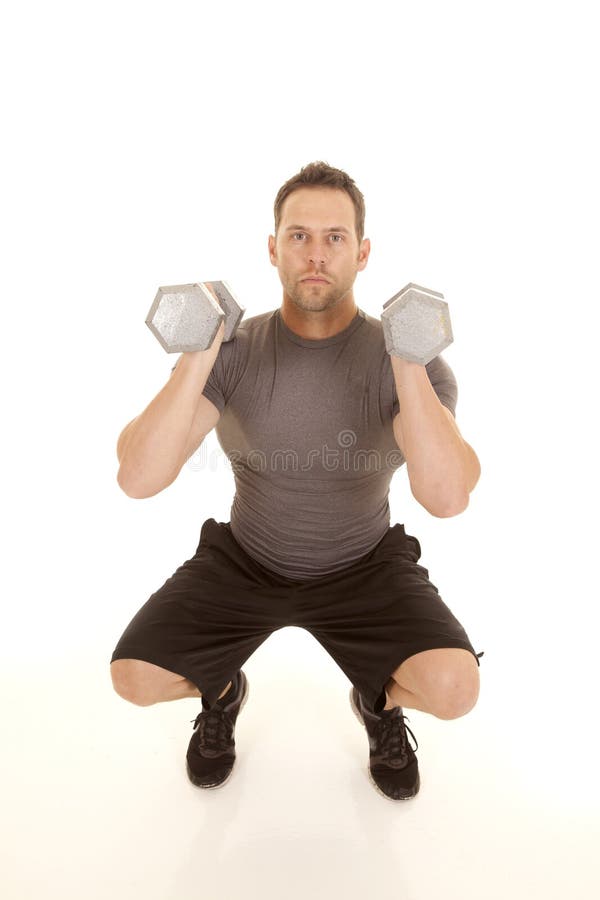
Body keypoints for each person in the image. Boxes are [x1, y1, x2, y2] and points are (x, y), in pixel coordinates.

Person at [111, 161, 483, 801]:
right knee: (135, 677)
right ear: (273, 249)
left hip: (363, 564)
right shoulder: (235, 354)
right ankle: (222, 689)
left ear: (363, 253)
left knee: (454, 689)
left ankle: (377, 702)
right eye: (299, 236)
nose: (316, 254)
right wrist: (199, 355)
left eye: (335, 238)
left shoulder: (411, 365)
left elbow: (446, 497)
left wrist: (405, 362)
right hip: (248, 559)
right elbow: (139, 477)